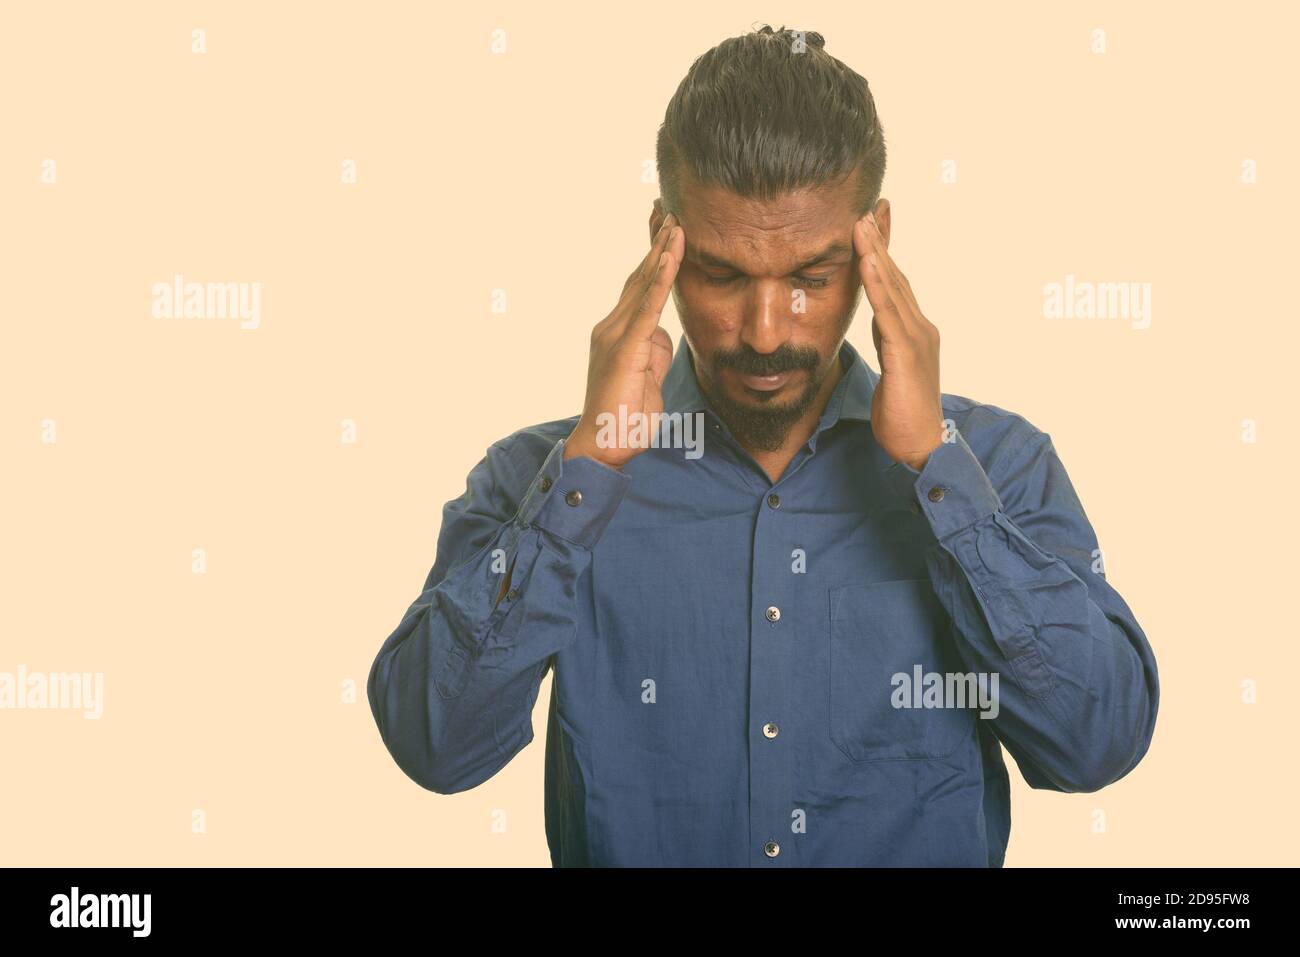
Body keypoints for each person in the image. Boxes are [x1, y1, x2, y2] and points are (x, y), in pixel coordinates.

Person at [366, 24, 1159, 867]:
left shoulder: (995, 466)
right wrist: (586, 472)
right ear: (661, 247)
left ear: (873, 244)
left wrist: (938, 470)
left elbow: (1095, 745)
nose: (766, 331)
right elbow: (435, 748)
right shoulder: (540, 479)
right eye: (723, 275)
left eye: (811, 279)